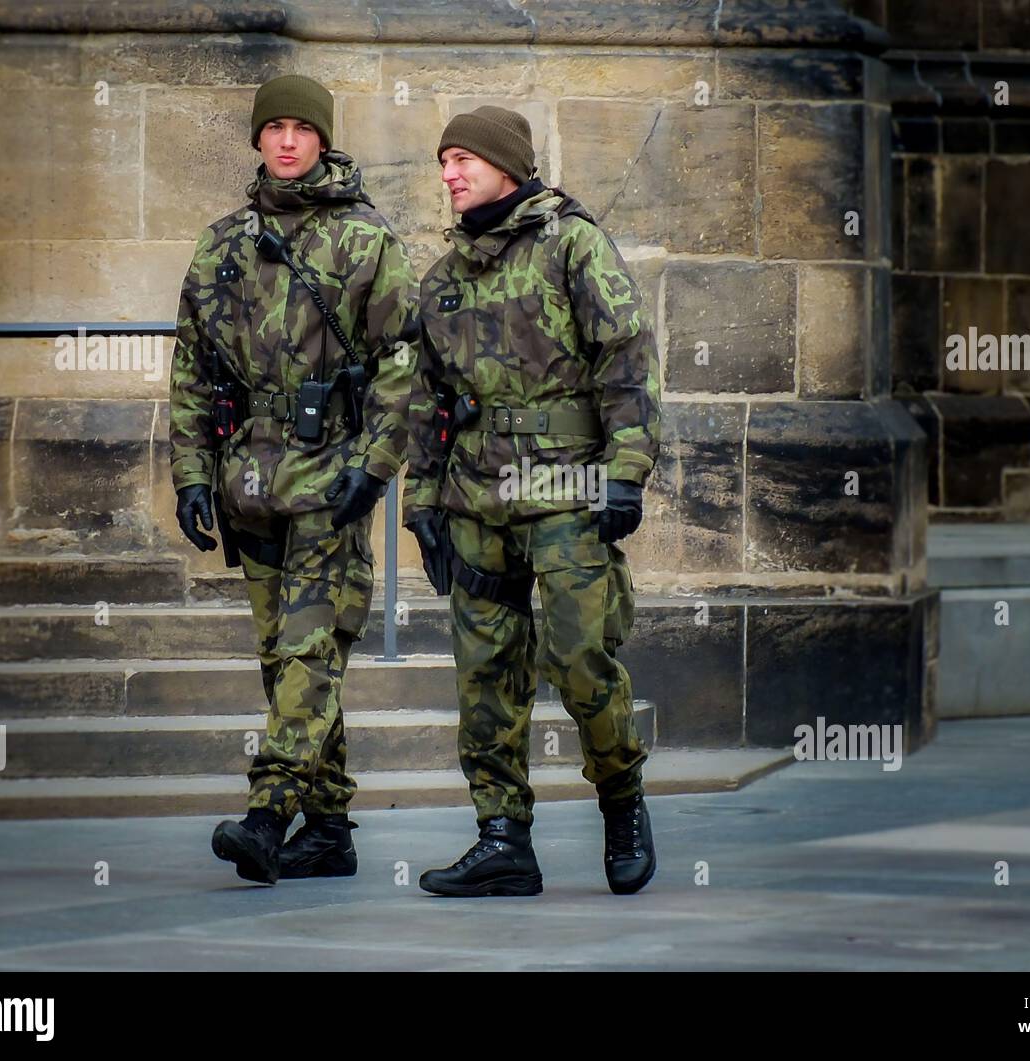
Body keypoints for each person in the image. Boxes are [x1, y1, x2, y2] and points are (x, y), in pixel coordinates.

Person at [402, 106, 661, 897]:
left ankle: (622, 800)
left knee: (582, 657)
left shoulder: (570, 243)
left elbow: (626, 356)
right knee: (484, 672)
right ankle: (502, 837)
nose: (448, 173)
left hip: (567, 492)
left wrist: (627, 468)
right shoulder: (442, 279)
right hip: (476, 500)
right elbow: (430, 398)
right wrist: (422, 498)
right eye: (442, 161)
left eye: (462, 159)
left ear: (506, 164)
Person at [168, 74, 419, 885]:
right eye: (272, 127)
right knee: (285, 657)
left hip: (334, 475)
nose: (285, 141)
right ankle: (331, 827)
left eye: (299, 129)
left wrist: (376, 471)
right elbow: (194, 372)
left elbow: (400, 366)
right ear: (257, 140)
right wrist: (191, 475)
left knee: (313, 645)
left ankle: (269, 812)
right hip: (252, 481)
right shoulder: (223, 246)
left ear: (321, 140)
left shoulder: (366, 240)